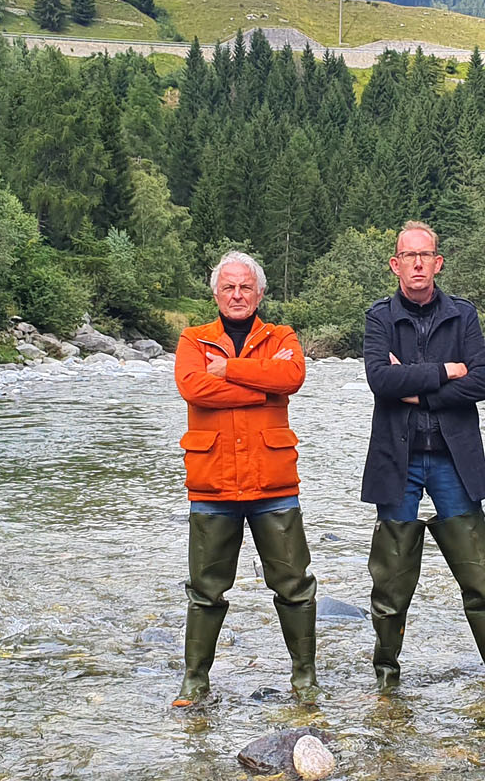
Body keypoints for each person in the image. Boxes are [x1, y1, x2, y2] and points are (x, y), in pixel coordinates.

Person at [361, 220, 485, 693]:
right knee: (391, 583)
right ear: (395, 265)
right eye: (409, 256)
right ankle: (387, 680)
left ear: (438, 262)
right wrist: (445, 372)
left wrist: (418, 389)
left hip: (453, 458)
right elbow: (380, 382)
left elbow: (484, 382)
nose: (418, 264)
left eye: (426, 255)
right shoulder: (379, 318)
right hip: (398, 460)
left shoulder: (463, 315)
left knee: (480, 577)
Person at [170, 250, 316, 707]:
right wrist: (260, 386)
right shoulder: (193, 339)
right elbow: (194, 388)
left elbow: (291, 376)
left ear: (260, 294)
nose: (237, 294)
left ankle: (304, 679)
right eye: (228, 287)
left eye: (245, 287)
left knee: (294, 585)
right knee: (206, 590)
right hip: (212, 484)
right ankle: (195, 680)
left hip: (274, 483)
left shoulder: (282, 336)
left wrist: (230, 370)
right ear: (215, 292)